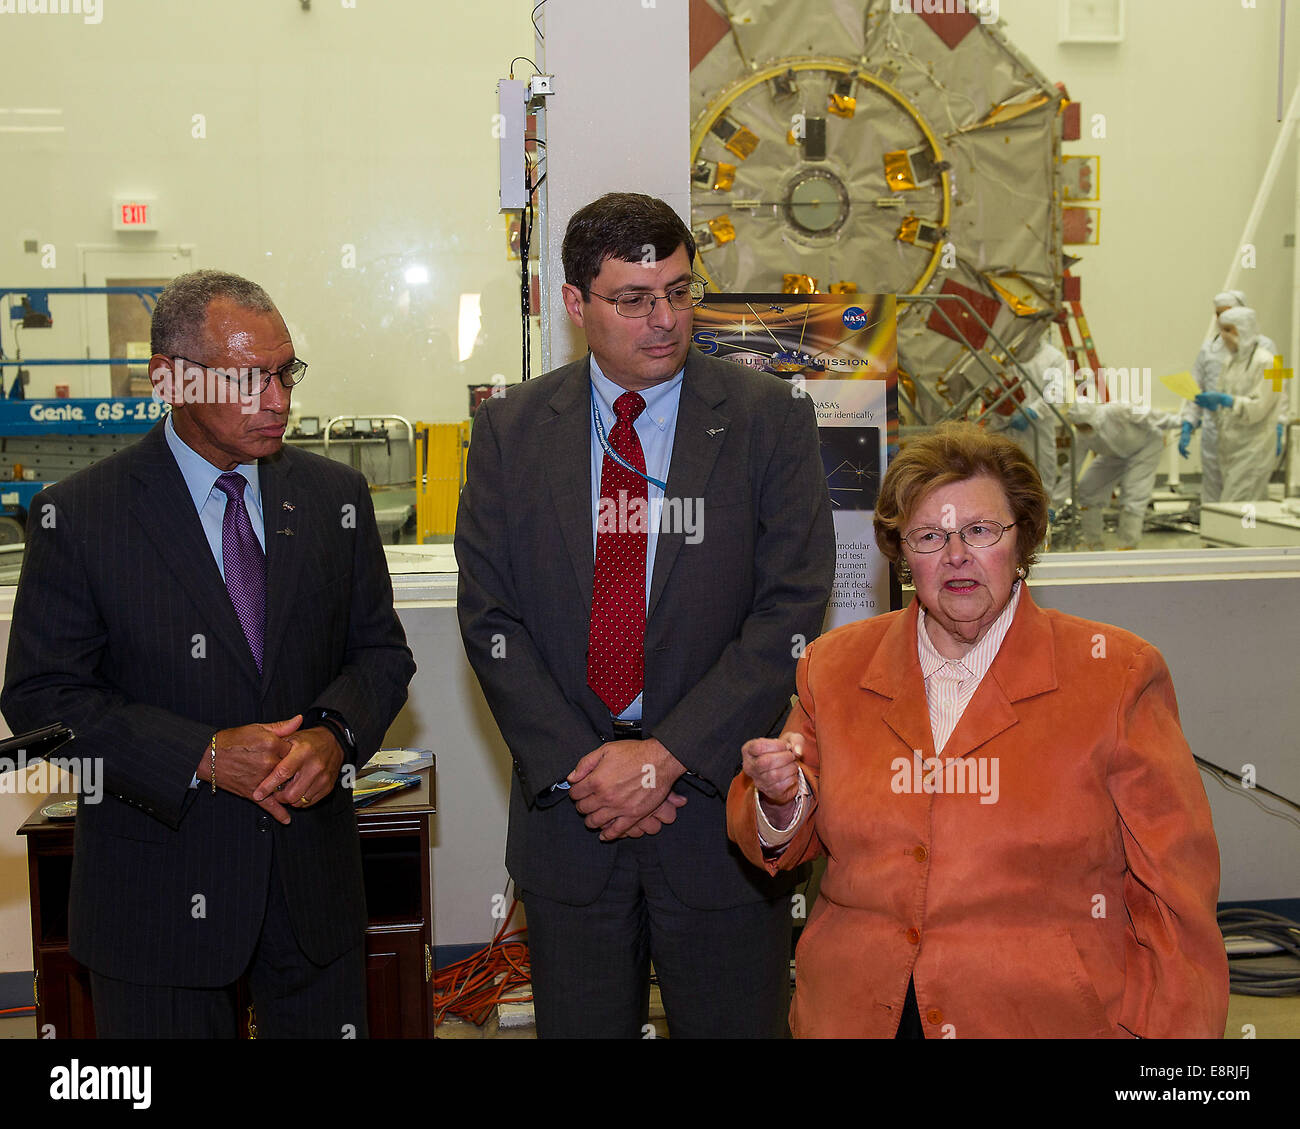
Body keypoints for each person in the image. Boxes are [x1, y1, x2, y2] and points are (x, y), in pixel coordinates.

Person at [455, 192, 835, 1038]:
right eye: (633, 299)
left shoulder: (769, 421)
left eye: (679, 290)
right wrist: (588, 768)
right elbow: (490, 616)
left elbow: (790, 613)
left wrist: (667, 759)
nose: (664, 319)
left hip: (719, 822)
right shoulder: (512, 432)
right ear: (575, 304)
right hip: (572, 818)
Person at [1, 270, 415, 1038]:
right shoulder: (81, 517)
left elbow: (380, 654)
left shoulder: (335, 499)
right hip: (156, 895)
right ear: (169, 379)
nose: (279, 399)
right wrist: (200, 755)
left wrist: (335, 736)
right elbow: (43, 697)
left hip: (310, 890)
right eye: (248, 378)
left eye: (285, 371)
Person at [727, 423, 1227, 1038]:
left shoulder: (1115, 674)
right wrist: (781, 799)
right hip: (860, 1012)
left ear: (1023, 542)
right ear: (902, 552)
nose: (956, 555)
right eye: (930, 536)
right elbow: (776, 842)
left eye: (981, 531)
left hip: (1041, 1016)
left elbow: (1175, 891)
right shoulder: (834, 667)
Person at [1179, 291, 1278, 501]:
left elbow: (1277, 390)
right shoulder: (1215, 352)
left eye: (1228, 320)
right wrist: (1189, 420)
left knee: (1240, 502)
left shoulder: (1267, 352)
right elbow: (1195, 385)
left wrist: (1281, 422)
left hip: (1253, 435)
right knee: (1215, 494)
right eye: (1218, 316)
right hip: (1220, 430)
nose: (1222, 331)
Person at [1071, 399, 1182, 550]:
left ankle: (1128, 545)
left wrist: (1180, 422)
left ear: (1094, 417)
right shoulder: (1082, 436)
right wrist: (1053, 503)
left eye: (1085, 426)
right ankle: (1092, 541)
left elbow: (1150, 415)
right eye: (1079, 427)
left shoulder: (1119, 410)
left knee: (1133, 493)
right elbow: (1071, 468)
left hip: (1145, 448)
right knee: (1088, 487)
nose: (1083, 429)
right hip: (1114, 455)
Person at [985, 338, 1067, 512]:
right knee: (1004, 475)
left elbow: (1057, 392)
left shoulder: (1053, 358)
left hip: (1039, 426)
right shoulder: (1004, 353)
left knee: (1041, 473)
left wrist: (1033, 411)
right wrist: (1004, 416)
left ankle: (1044, 517)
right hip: (1005, 424)